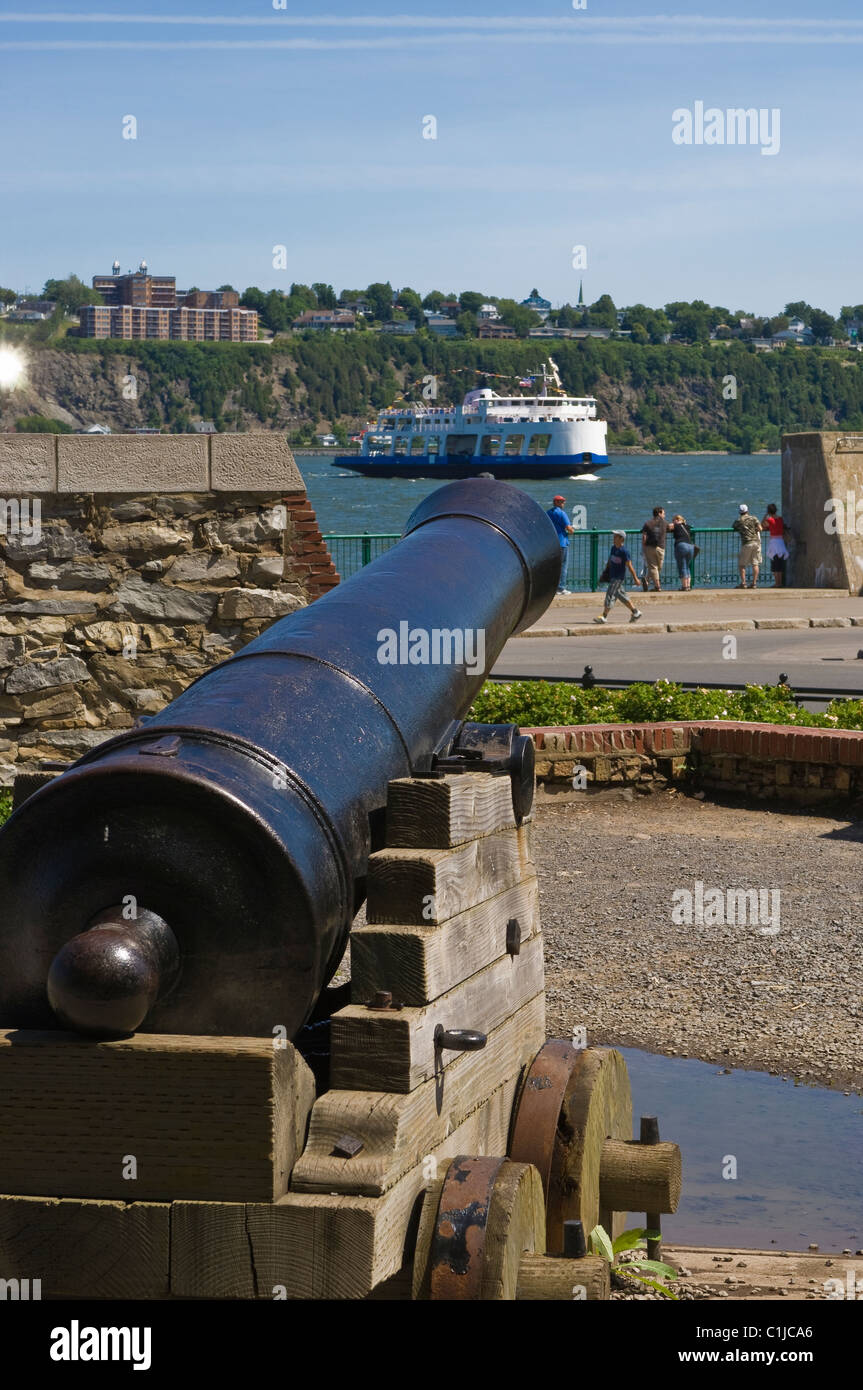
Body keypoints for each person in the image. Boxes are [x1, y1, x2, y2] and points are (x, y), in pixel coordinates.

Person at [594, 529, 643, 624]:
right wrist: (605, 572)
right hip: (612, 576)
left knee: (610, 594)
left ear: (621, 539)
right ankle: (635, 612)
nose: (614, 537)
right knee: (621, 595)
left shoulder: (624, 552)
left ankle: (604, 616)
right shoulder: (613, 548)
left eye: (616, 536)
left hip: (618, 578)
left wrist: (636, 578)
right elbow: (609, 561)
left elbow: (630, 566)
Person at [547, 494, 574, 594]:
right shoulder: (562, 514)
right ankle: (561, 588)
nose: (564, 504)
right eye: (562, 502)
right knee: (563, 566)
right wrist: (572, 529)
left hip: (552, 543)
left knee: (554, 566)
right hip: (562, 542)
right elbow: (569, 529)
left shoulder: (548, 513)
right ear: (557, 502)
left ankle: (552, 587)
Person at [732, 503, 762, 588]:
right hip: (756, 542)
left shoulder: (738, 521)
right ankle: (754, 583)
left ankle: (743, 583)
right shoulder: (754, 518)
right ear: (747, 511)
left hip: (747, 543)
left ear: (739, 512)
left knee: (742, 565)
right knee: (755, 563)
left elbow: (734, 527)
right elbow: (760, 528)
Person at [761, 503, 789, 587]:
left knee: (775, 563)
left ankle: (777, 583)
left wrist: (765, 515)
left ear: (769, 511)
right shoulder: (780, 519)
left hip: (774, 542)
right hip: (780, 541)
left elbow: (762, 525)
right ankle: (779, 583)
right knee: (780, 563)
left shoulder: (770, 520)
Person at [641, 506, 668, 591]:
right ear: (659, 513)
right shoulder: (665, 523)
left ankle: (647, 580)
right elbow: (671, 527)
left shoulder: (647, 523)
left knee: (655, 567)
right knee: (657, 567)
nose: (665, 515)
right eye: (663, 513)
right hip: (661, 547)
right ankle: (657, 586)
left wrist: (644, 547)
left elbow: (644, 536)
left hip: (649, 547)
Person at [669, 514, 695, 591]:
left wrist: (672, 525)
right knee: (687, 566)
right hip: (690, 546)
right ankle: (688, 586)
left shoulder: (676, 525)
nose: (672, 522)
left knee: (682, 566)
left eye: (673, 520)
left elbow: (669, 526)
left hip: (681, 545)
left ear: (676, 520)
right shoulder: (688, 526)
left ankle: (684, 586)